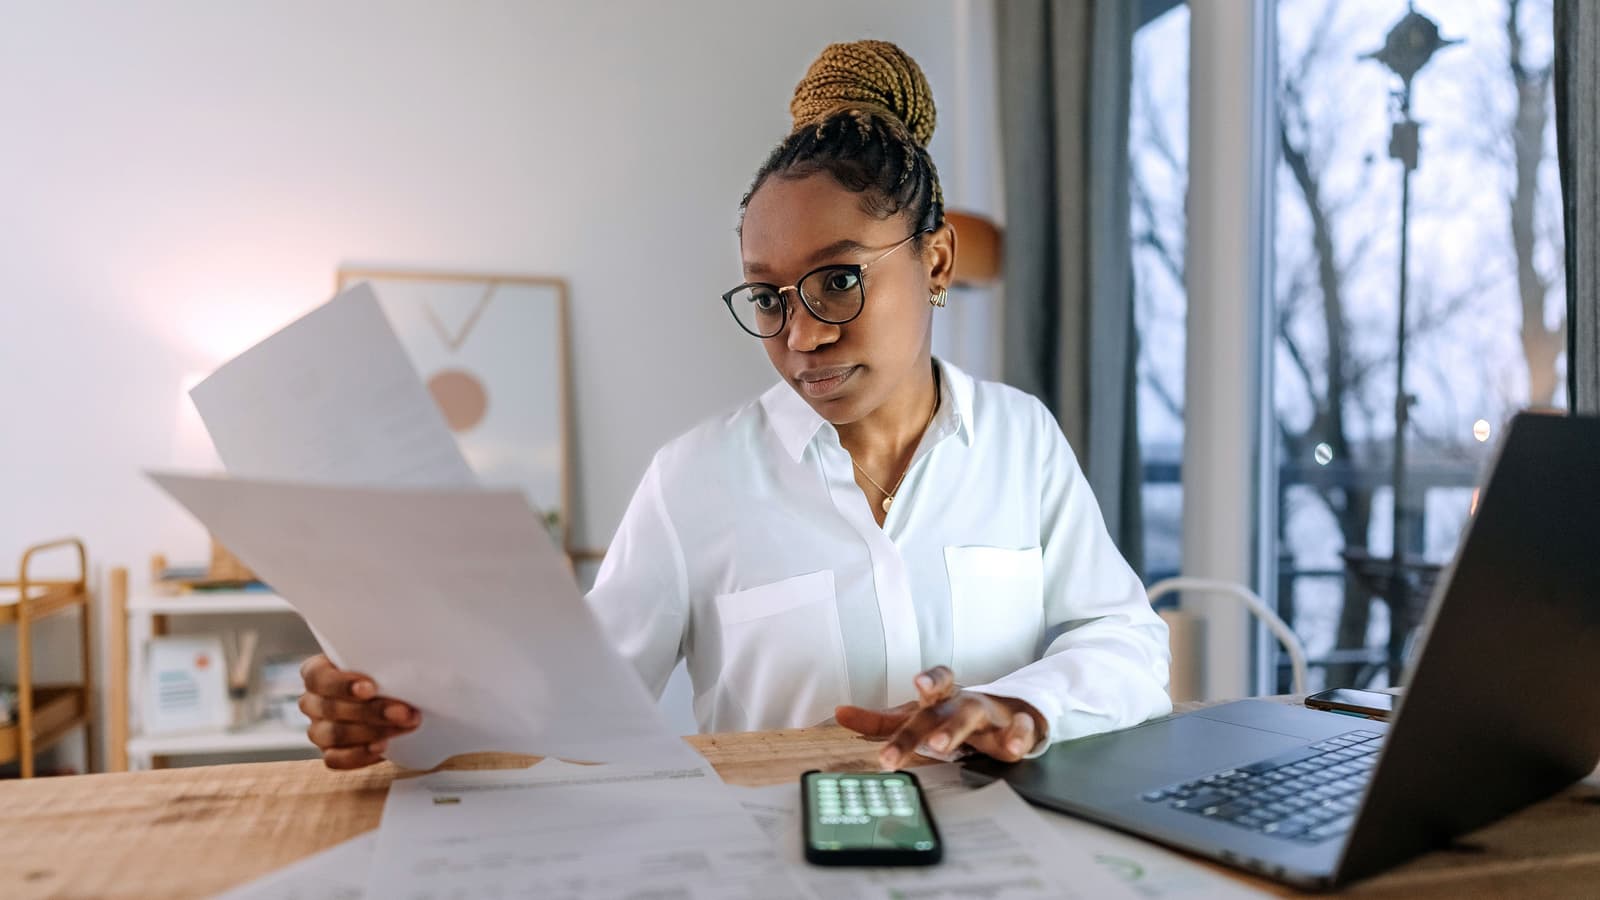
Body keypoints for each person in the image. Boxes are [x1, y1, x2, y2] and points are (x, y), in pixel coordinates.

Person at [298, 39, 1172, 772]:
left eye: (837, 281)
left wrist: (1020, 705)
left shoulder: (1023, 442)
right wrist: (405, 714)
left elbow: (1127, 643)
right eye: (767, 297)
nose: (802, 335)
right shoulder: (695, 481)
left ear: (936, 262)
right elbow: (571, 704)